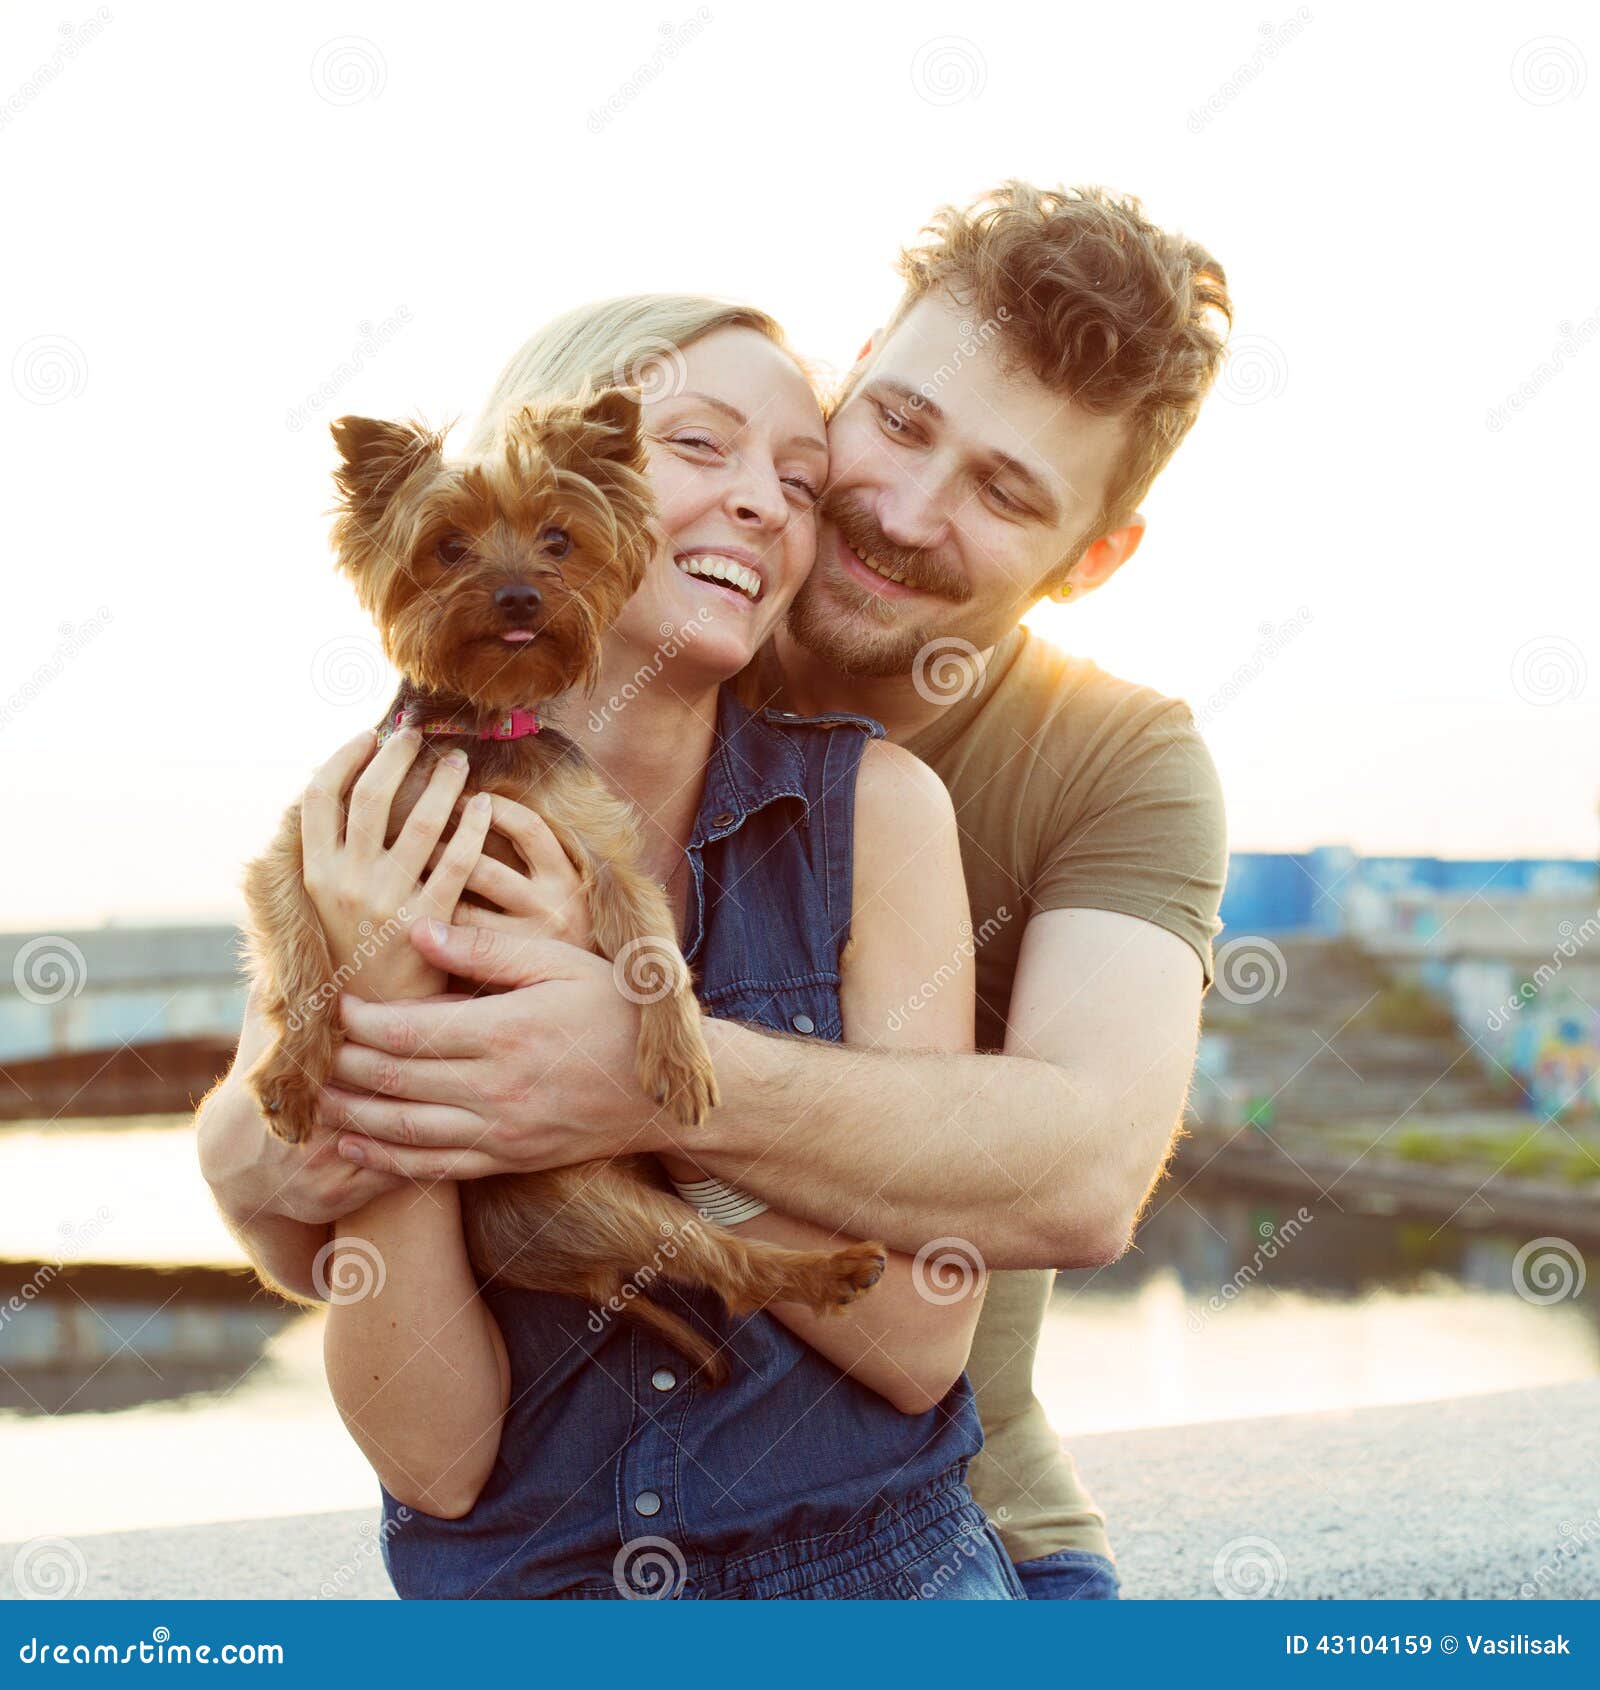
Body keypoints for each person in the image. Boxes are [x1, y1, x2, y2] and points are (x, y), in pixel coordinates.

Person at [201, 181, 1233, 1600]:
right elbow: (285, 1185)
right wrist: (303, 1104)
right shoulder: (472, 729)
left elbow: (1088, 1170)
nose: (898, 510)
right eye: (897, 425)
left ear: (1091, 558)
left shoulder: (1072, 767)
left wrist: (639, 1079)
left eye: (1005, 491)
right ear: (852, 371)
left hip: (950, 1514)